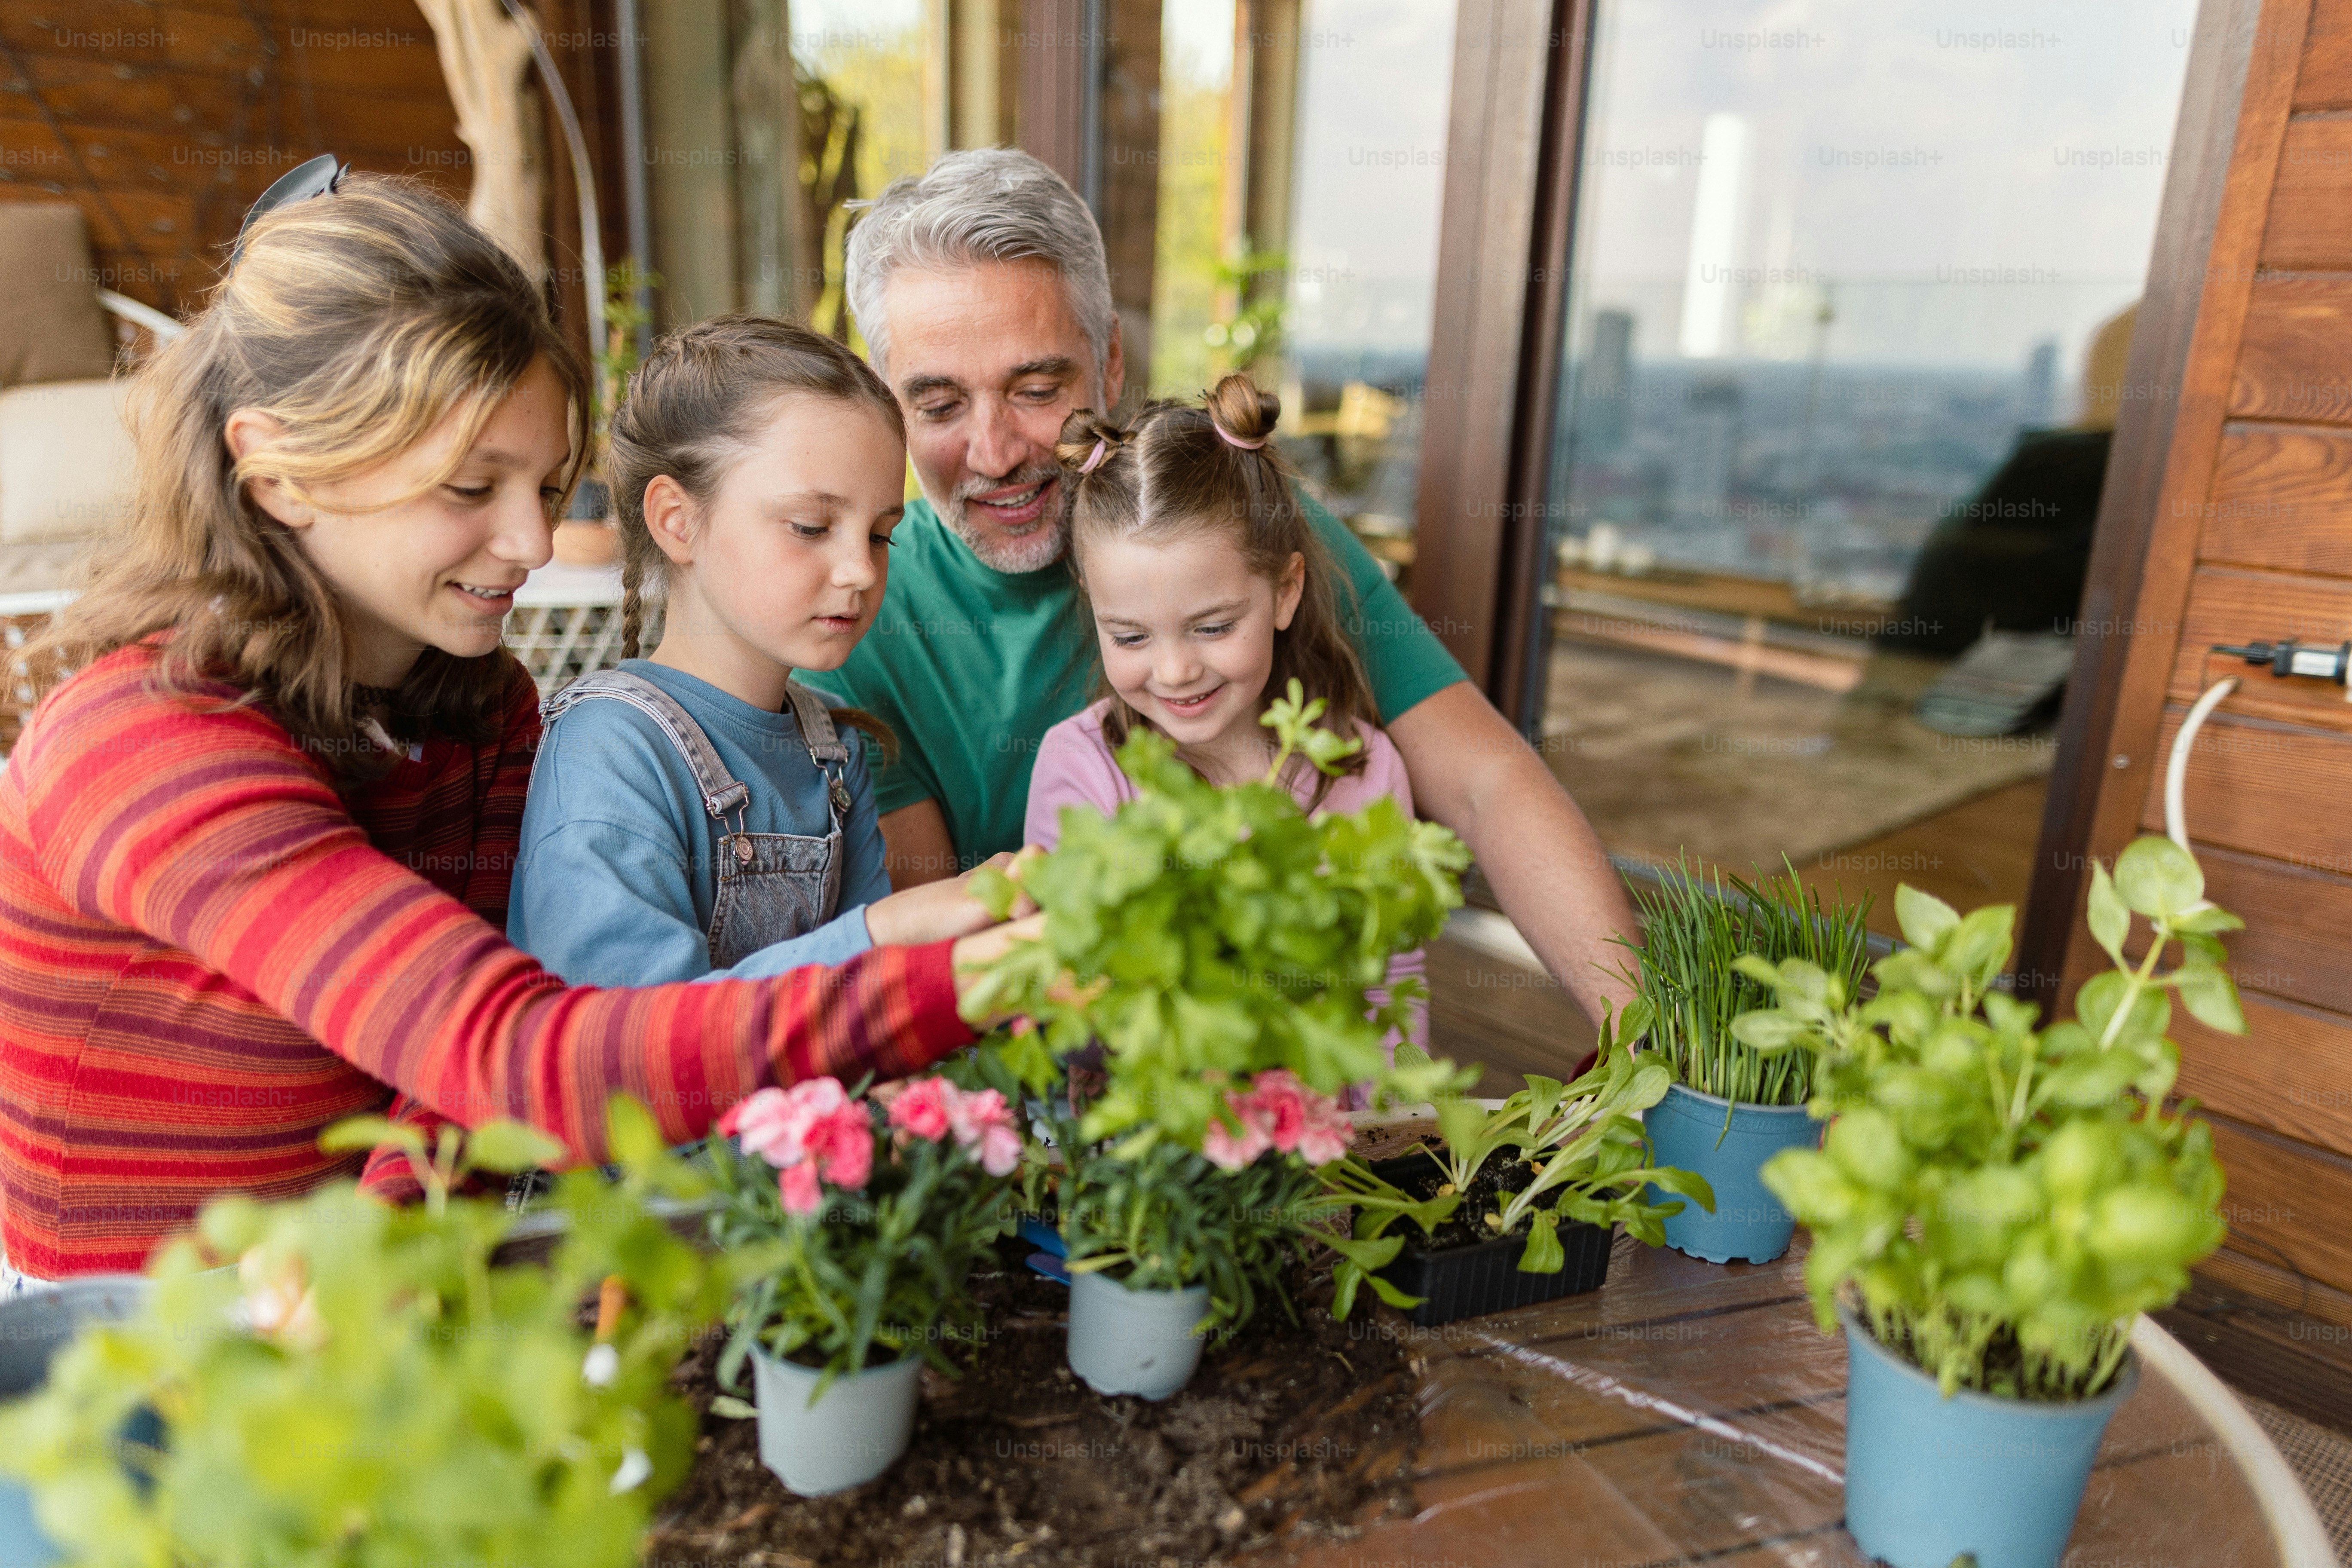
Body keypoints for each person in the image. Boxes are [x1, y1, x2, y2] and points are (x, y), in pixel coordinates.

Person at [0, 177, 1028, 1282]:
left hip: (367, 1311)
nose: (534, 540)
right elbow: (520, 1057)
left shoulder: (480, 710)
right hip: (125, 1362)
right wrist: (950, 975)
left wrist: (396, 1272)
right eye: (472, 486)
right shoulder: (141, 744)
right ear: (280, 472)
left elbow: (441, 1086)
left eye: (544, 484)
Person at [801, 147, 1635, 1032]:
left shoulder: (1239, 529)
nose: (996, 450)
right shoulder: (861, 615)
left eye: (1037, 389)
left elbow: (1485, 782)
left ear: (1111, 361)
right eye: (938, 408)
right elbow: (950, 952)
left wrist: (1643, 1040)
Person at [510, 315, 1012, 987]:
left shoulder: (835, 751)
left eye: (880, 536)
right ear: (677, 521)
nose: (860, 570)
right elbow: (624, 1040)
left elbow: (866, 1008)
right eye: (811, 527)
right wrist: (882, 932)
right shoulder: (608, 752)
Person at [1023, 377, 1427, 1060]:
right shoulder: (1082, 768)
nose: (1176, 671)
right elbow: (1068, 1000)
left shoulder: (1367, 768)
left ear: (1285, 591)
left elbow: (1393, 989)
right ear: (1092, 606)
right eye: (1129, 637)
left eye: (1213, 627)